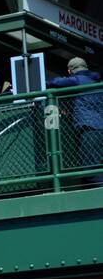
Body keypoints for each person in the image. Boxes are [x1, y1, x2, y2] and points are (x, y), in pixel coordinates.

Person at [50, 56, 103, 185]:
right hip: (99, 126)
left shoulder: (77, 79)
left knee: (91, 166)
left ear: (70, 71)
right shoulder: (96, 81)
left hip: (88, 127)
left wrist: (63, 79)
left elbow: (54, 82)